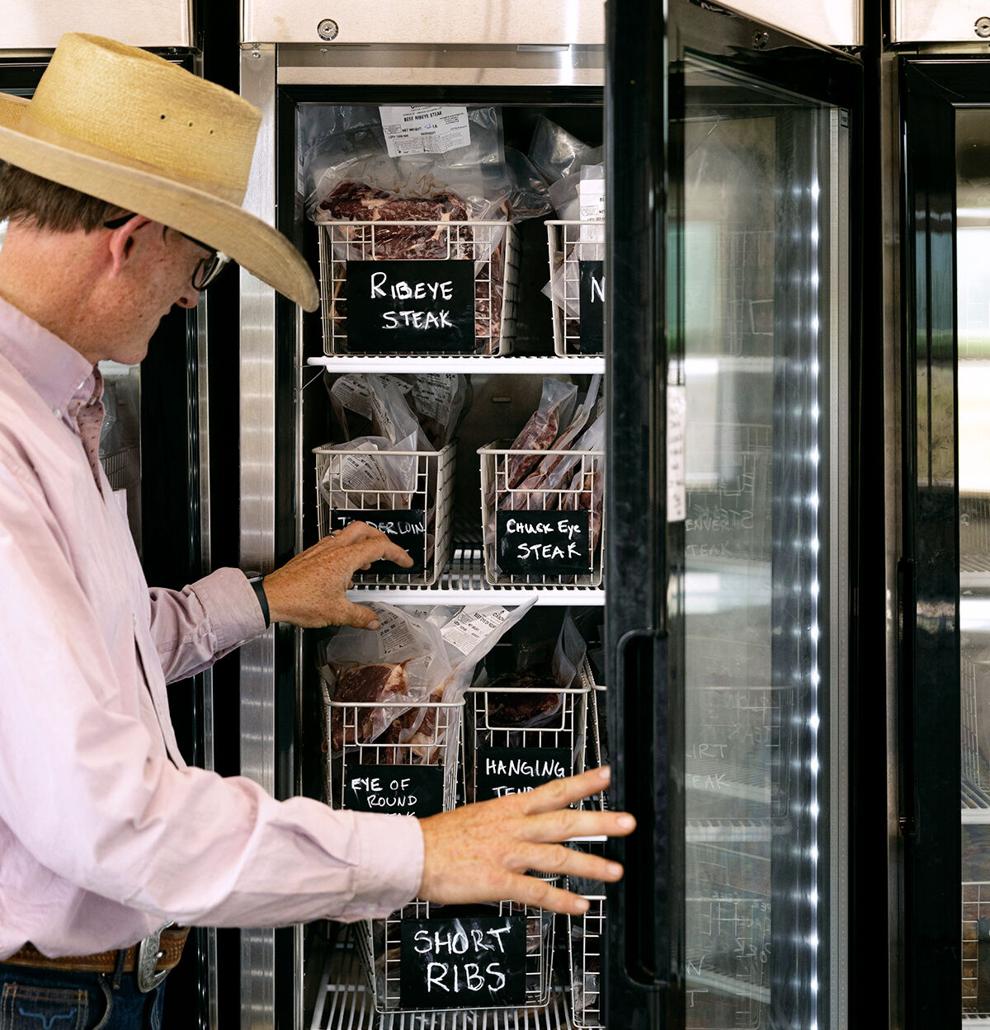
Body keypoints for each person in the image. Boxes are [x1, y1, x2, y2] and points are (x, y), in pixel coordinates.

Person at [0, 33, 634, 1029]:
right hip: (45, 995)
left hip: (104, 980)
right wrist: (421, 854)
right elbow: (107, 815)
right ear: (129, 240)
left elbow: (85, 662)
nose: (185, 299)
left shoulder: (52, 409)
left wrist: (255, 601)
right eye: (197, 269)